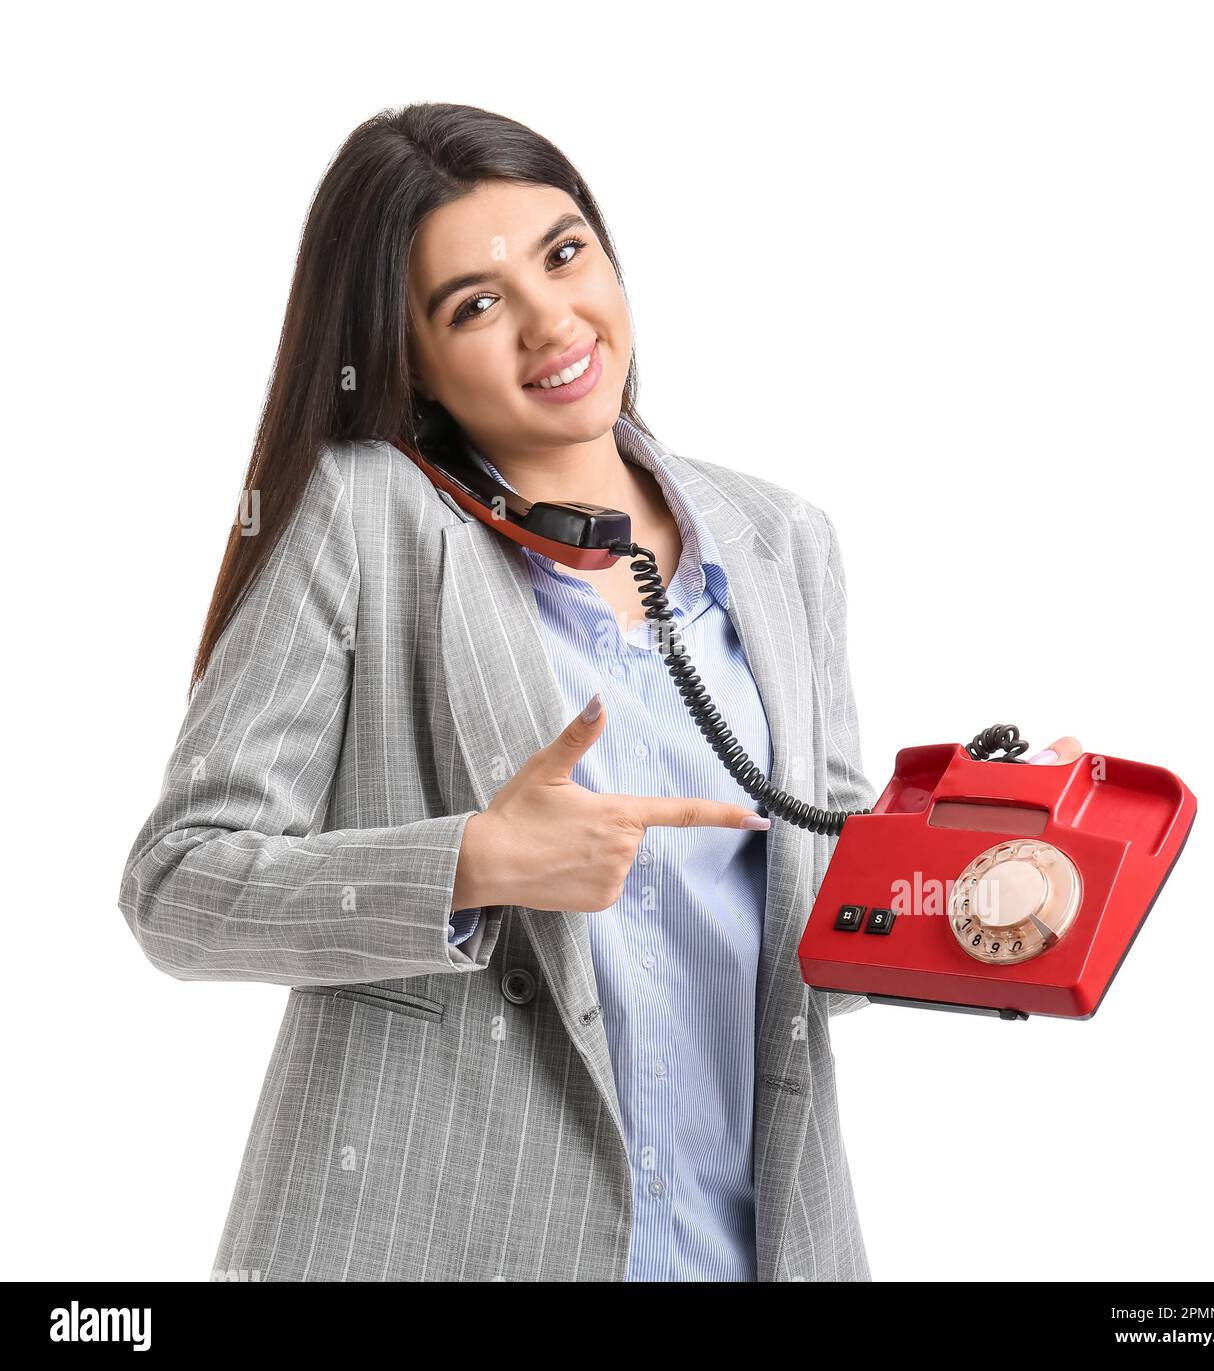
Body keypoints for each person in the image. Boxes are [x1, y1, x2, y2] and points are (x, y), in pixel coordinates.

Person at [118, 101, 1081, 1282]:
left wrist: (984, 860)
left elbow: (814, 932)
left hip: (750, 1241)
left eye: (565, 254)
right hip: (446, 1243)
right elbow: (177, 885)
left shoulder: (781, 541)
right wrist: (472, 862)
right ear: (407, 357)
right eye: (475, 305)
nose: (550, 322)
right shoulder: (363, 516)